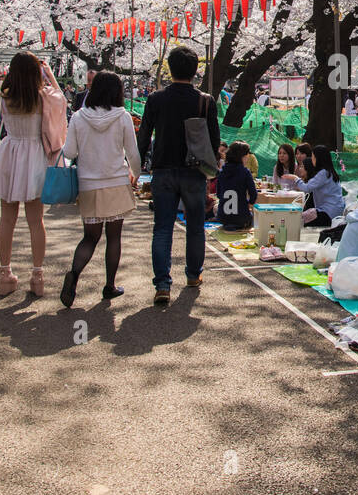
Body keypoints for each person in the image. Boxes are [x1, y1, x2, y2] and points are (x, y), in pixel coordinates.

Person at [137, 46, 221, 309]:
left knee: (162, 228)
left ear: (169, 69)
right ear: (195, 70)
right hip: (193, 172)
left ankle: (162, 284)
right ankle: (193, 275)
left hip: (163, 170)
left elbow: (144, 135)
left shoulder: (155, 99)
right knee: (195, 226)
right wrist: (212, 170)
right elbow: (214, 140)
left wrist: (138, 163)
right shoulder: (205, 101)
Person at [59, 71, 141, 307]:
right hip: (115, 181)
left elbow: (70, 152)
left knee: (90, 237)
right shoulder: (122, 117)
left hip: (89, 183)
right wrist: (135, 174)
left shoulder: (78, 117)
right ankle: (109, 286)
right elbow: (132, 153)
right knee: (114, 237)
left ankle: (74, 275)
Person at [0, 52, 65, 296]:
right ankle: (37, 276)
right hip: (35, 156)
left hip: (10, 154)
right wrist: (50, 75)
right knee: (36, 221)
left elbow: (0, 89)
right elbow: (62, 99)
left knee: (7, 219)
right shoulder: (44, 98)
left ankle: (5, 274)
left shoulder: (2, 97)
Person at [283, 144, 344, 226]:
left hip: (328, 213)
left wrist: (295, 178)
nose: (312, 160)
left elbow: (307, 188)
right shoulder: (330, 172)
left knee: (298, 220)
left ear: (318, 158)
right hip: (336, 210)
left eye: (312, 157)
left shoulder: (323, 173)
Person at [214, 141, 257, 232]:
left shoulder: (222, 172)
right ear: (242, 157)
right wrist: (248, 204)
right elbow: (253, 194)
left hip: (223, 218)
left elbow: (218, 194)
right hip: (242, 218)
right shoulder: (245, 172)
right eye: (247, 156)